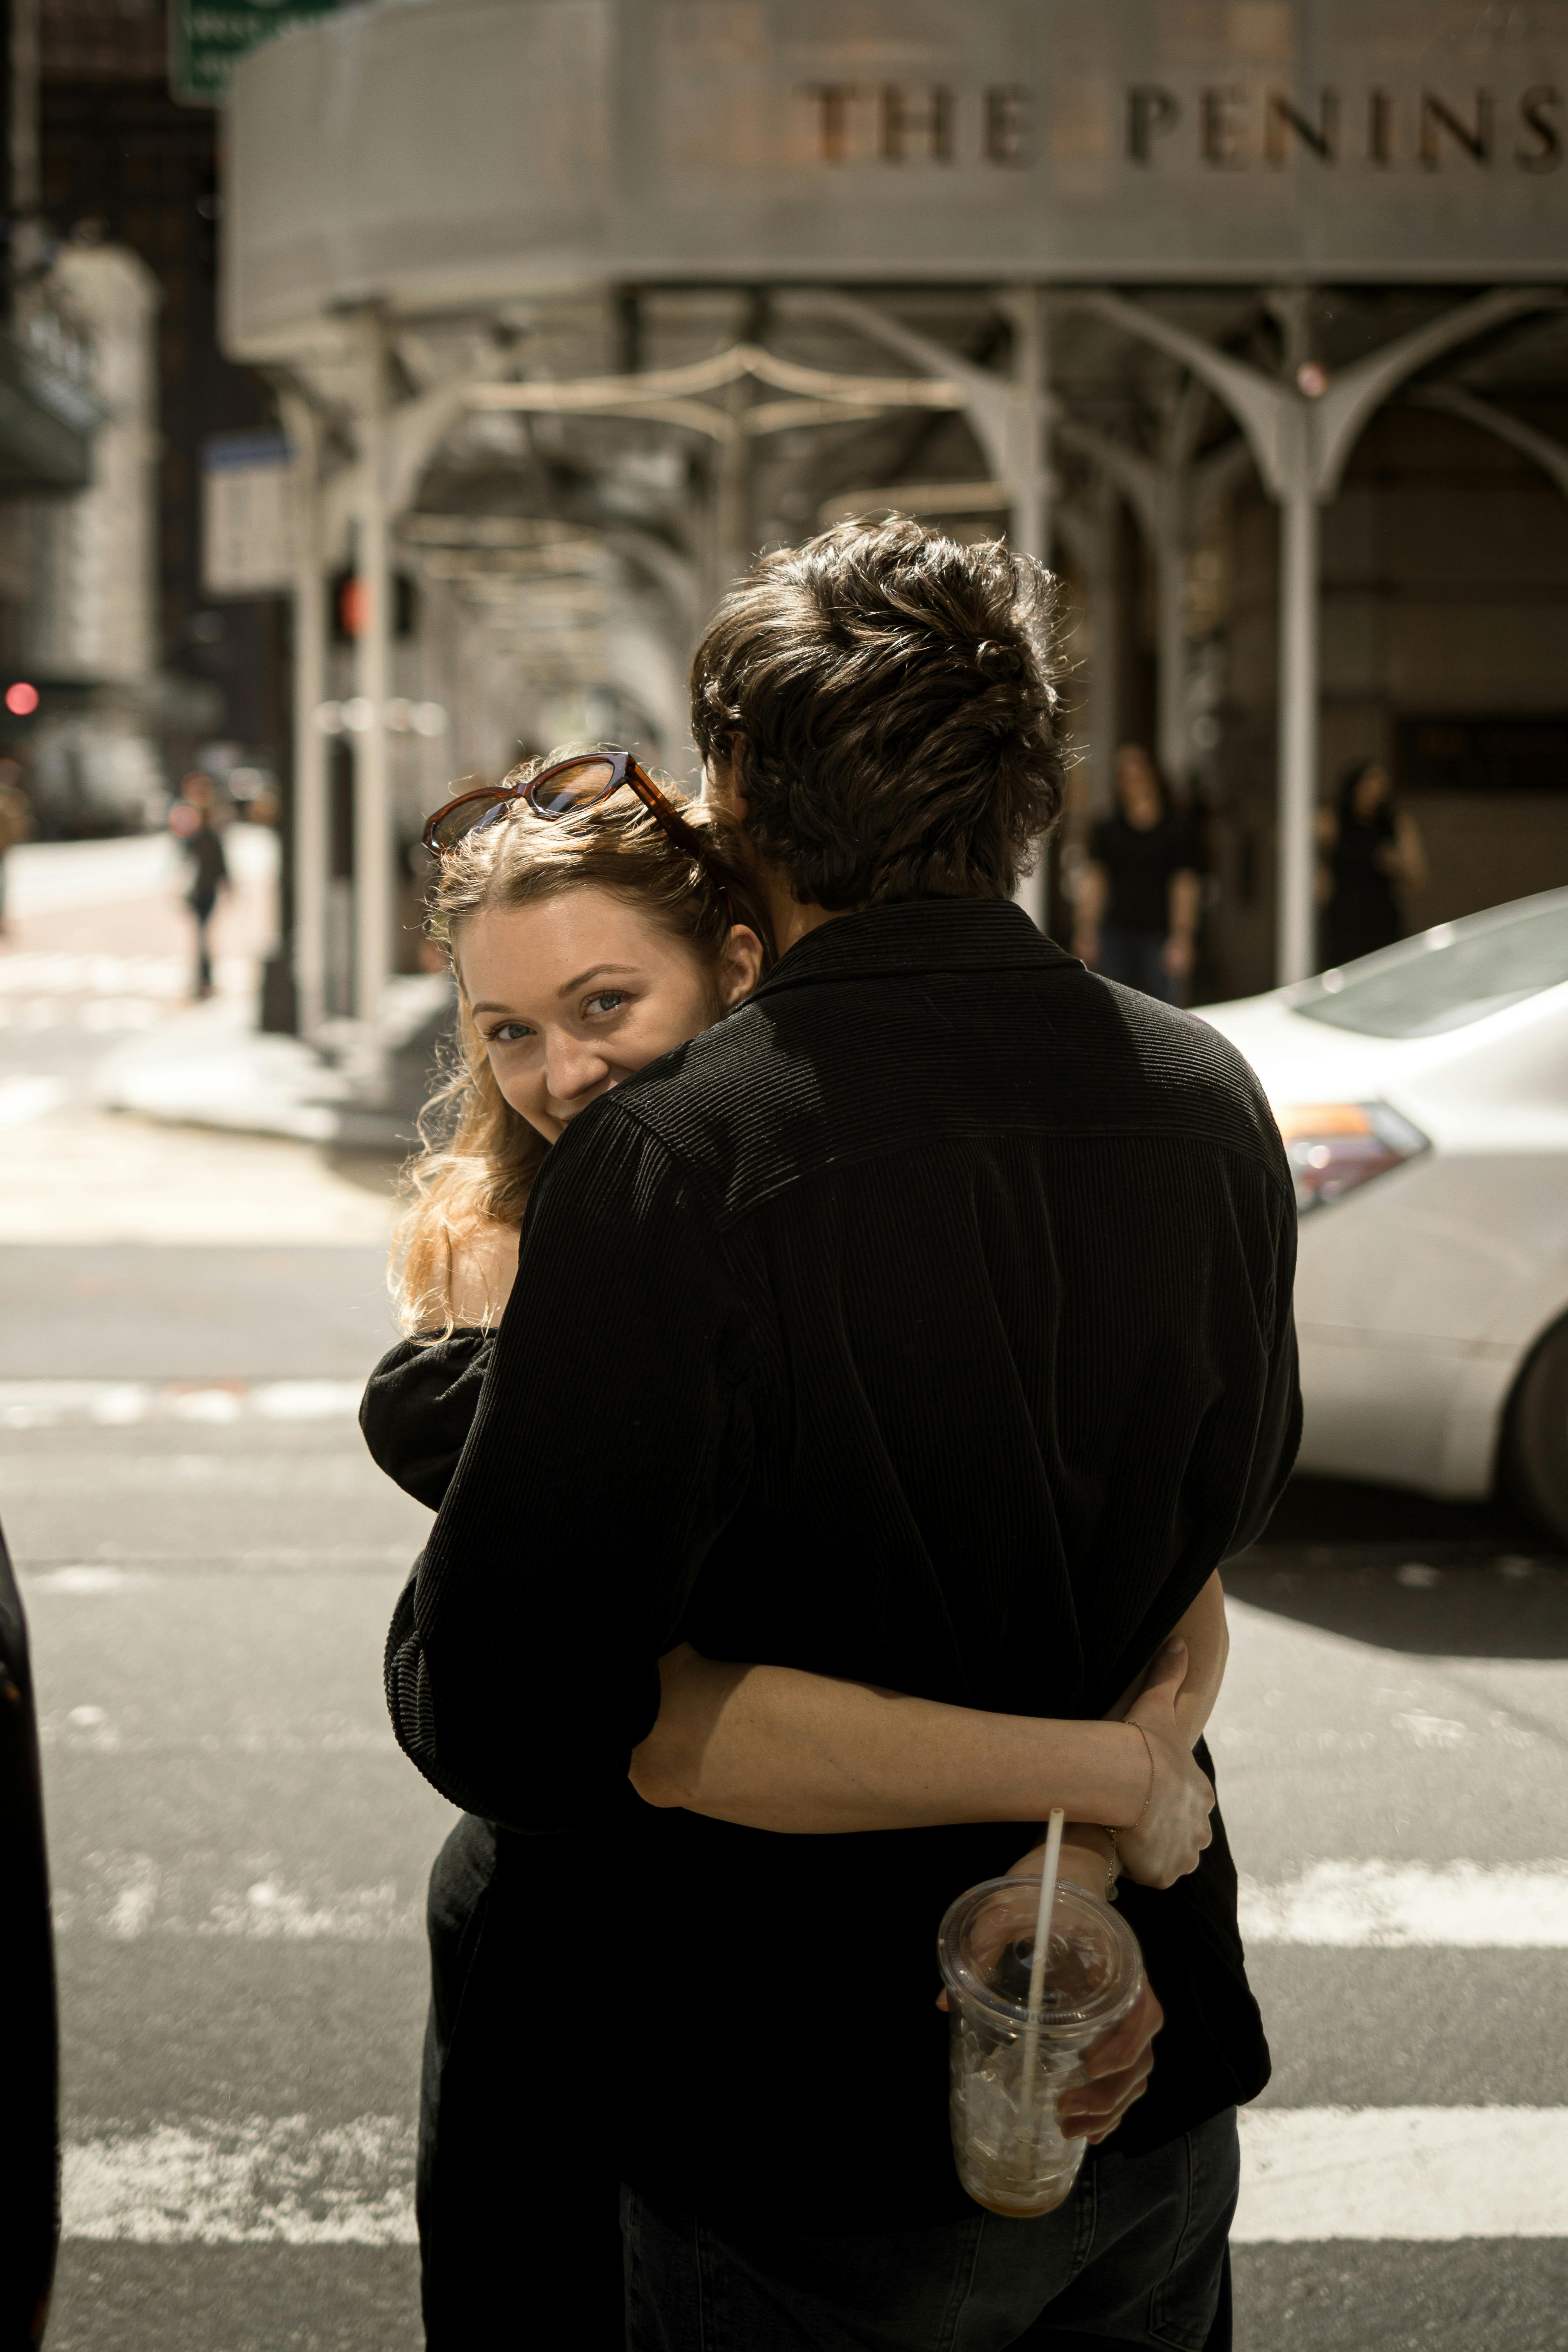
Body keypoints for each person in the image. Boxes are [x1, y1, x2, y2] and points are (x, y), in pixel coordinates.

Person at [385, 520, 1300, 2351]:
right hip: (1124, 2055)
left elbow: (511, 1710)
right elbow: (1203, 1533)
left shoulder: (688, 1156)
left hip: (806, 2112)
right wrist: (1112, 1795)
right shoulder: (1201, 1095)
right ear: (1027, 786)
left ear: (732, 793)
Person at [1074, 744, 1203, 1006]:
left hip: (1160, 935)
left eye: (1138, 774)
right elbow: (1095, 881)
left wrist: (1183, 938)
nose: (1132, 783)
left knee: (1166, 1011)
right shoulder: (1108, 828)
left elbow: (1185, 886)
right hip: (1116, 932)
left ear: (1153, 776)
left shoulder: (1176, 829)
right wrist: (1086, 931)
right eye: (1125, 776)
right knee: (1113, 1008)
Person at [1316, 758, 1426, 969]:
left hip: (1381, 919)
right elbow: (1289, 842)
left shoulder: (1396, 824)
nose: (1375, 793)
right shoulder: (1333, 820)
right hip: (1343, 922)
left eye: (1381, 787)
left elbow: (1418, 880)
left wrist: (1396, 865)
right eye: (1369, 786)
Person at [171, 773, 230, 997]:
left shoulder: (211, 820)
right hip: (197, 888)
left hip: (206, 887)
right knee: (201, 934)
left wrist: (227, 883)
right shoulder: (189, 819)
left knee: (203, 934)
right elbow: (183, 856)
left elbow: (220, 856)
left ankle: (204, 979)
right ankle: (203, 979)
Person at [0, 758, 33, 936]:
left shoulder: (12, 794)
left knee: (4, 885)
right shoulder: (8, 795)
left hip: (4, 846)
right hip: (3, 846)